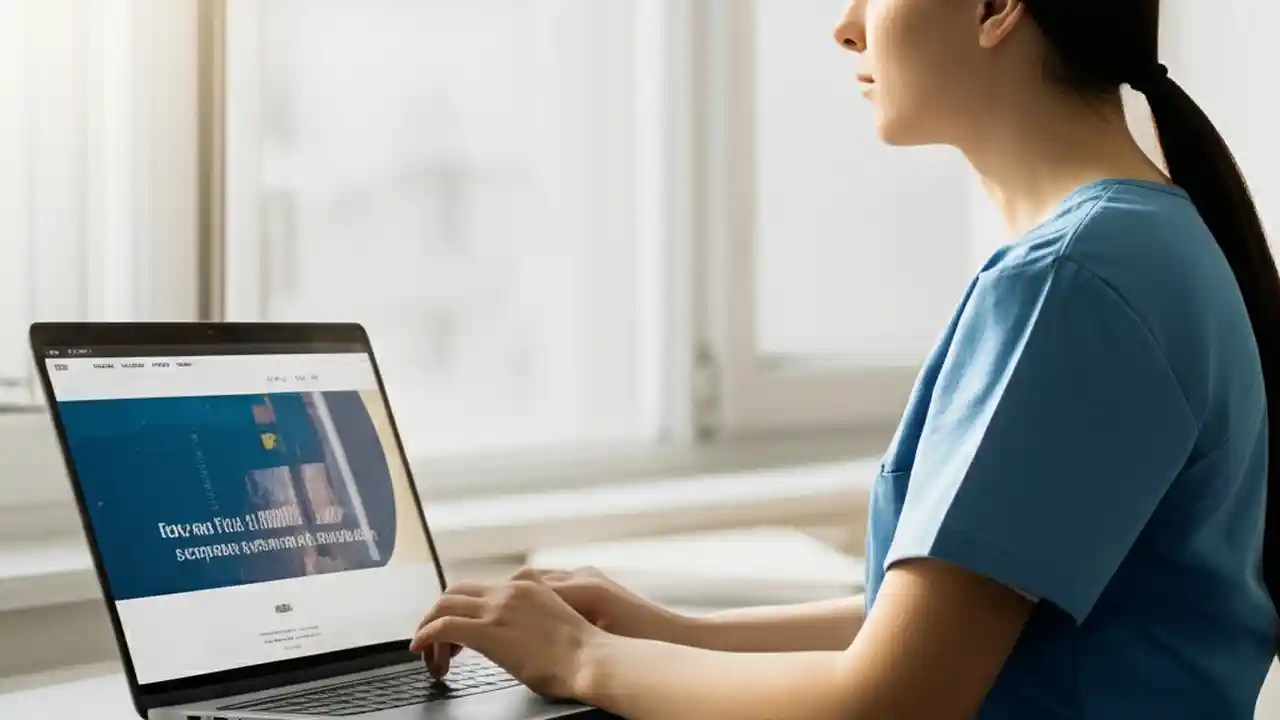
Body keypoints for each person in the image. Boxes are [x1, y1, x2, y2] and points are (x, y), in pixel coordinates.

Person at [410, 0, 1280, 716]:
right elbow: (935, 627)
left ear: (993, 9)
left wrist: (580, 659)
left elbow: (895, 696)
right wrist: (663, 629)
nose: (846, 25)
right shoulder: (1148, 244)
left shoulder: (1073, 280)